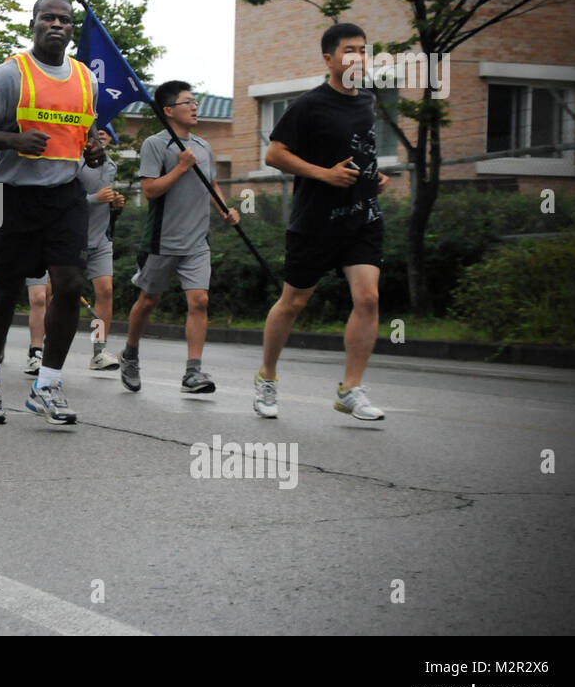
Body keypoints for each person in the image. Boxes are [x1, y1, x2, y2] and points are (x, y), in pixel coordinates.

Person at [0, 0, 103, 425]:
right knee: (5, 289)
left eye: (64, 19)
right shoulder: (9, 75)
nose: (56, 25)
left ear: (71, 30)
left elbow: (84, 130)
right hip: (7, 192)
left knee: (70, 281)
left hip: (63, 194)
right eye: (48, 18)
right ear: (33, 25)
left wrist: (93, 149)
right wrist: (13, 141)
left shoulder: (84, 78)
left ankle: (48, 384)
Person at [254, 22, 389, 422]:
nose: (358, 57)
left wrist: (373, 175)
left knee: (368, 298)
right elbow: (275, 155)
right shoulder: (309, 105)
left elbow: (359, 151)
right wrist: (323, 174)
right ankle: (267, 377)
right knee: (293, 301)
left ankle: (351, 388)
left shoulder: (367, 102)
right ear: (328, 58)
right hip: (315, 220)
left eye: (363, 50)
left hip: (362, 216)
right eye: (350, 50)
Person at [119, 81, 240, 394]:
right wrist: (181, 167)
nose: (194, 107)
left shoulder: (203, 146)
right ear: (169, 110)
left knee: (200, 300)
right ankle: (130, 353)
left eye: (194, 101)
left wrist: (226, 208)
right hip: (162, 241)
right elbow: (149, 190)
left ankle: (193, 373)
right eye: (187, 102)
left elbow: (212, 183)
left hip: (197, 241)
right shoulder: (155, 145)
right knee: (148, 301)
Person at [78, 127, 124, 371]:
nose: (102, 136)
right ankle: (41, 348)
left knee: (105, 291)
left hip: (100, 241)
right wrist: (96, 198)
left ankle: (99, 351)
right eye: (97, 133)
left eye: (106, 133)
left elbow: (106, 202)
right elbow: (66, 201)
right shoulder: (74, 163)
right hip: (73, 241)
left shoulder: (111, 166)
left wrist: (115, 203)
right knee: (55, 294)